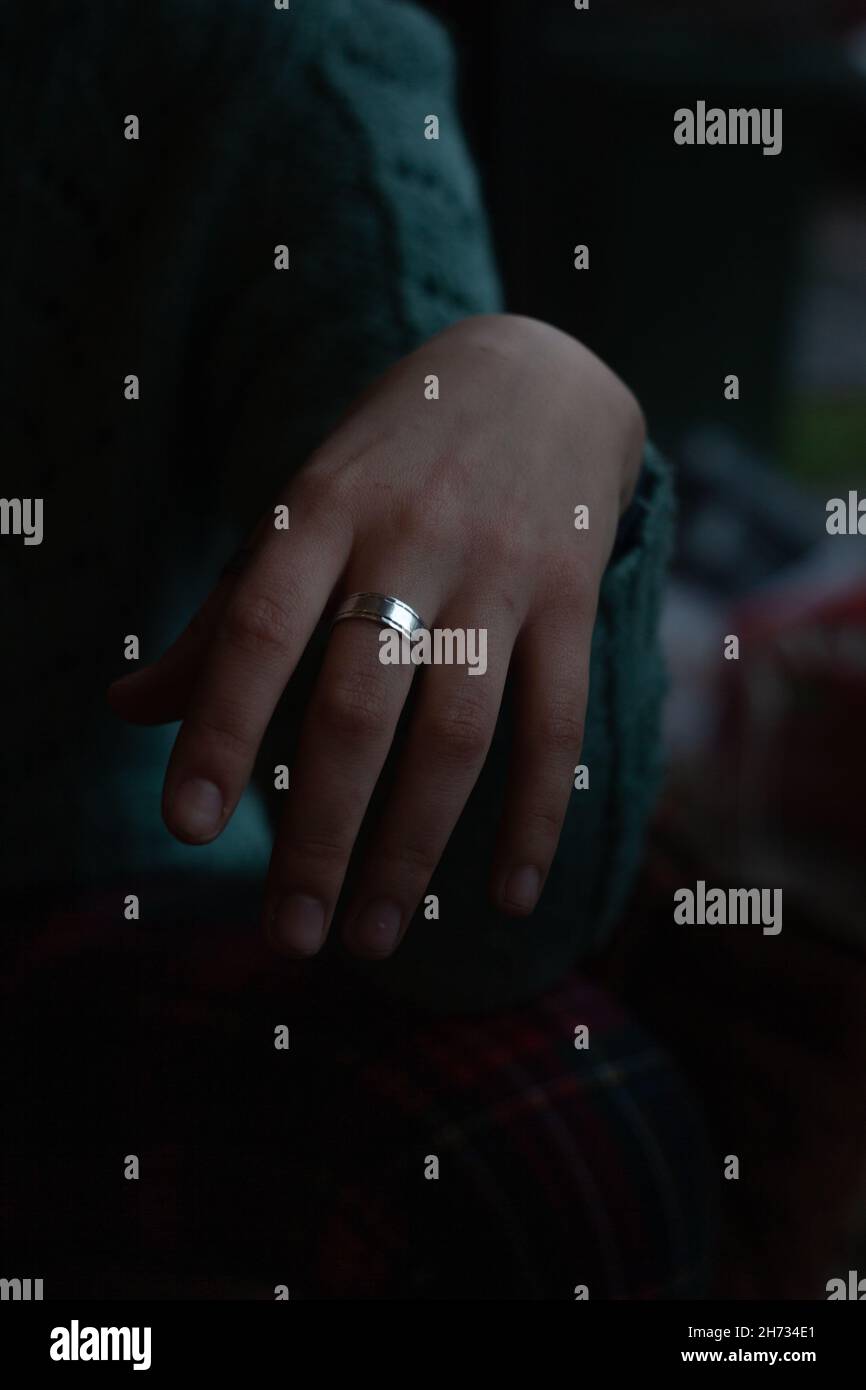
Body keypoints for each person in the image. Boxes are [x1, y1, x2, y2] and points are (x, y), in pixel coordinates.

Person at [1, 0, 714, 1297]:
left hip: (60, 906)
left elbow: (469, 931)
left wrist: (546, 397)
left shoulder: (289, 61)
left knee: (551, 1135)